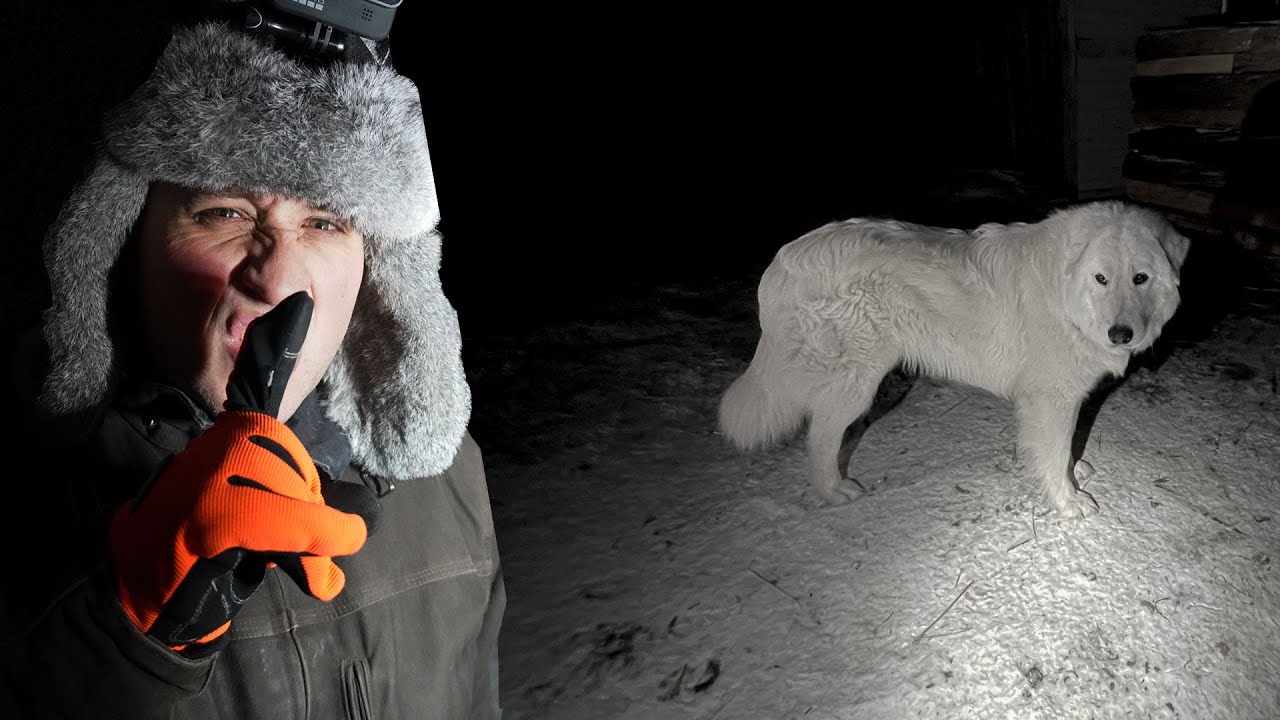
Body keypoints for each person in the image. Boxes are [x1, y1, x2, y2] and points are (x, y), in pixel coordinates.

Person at [0, 16, 504, 719]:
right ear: (125, 237)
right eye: (226, 212)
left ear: (379, 264)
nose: (277, 282)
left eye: (324, 223)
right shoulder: (27, 501)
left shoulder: (446, 482)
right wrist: (128, 631)